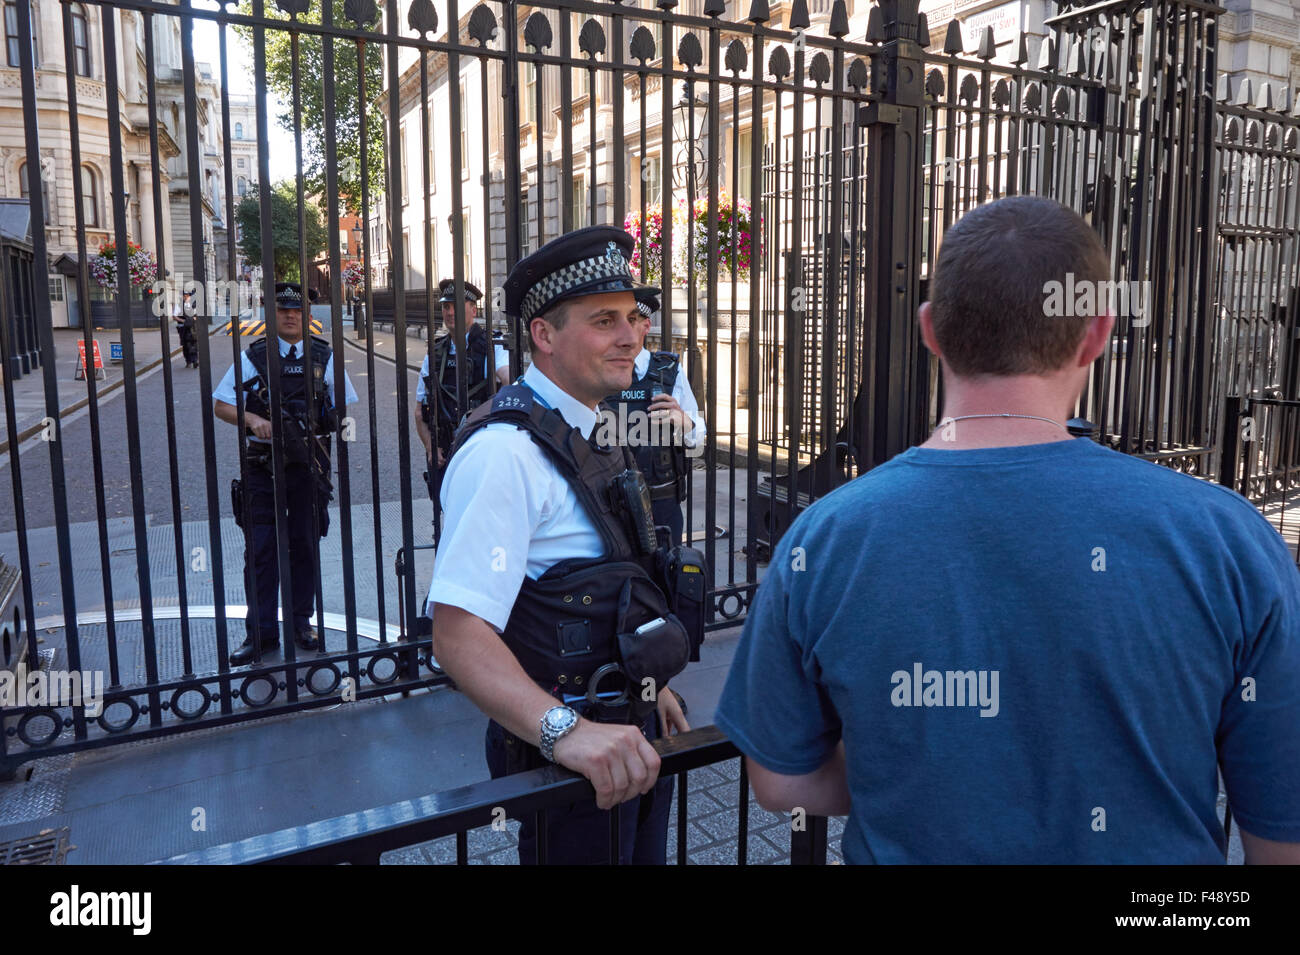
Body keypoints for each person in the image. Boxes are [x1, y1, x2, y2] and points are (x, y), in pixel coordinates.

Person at [714, 195, 1300, 864]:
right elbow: (1281, 839)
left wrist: (911, 767)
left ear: (931, 330)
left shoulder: (824, 538)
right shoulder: (1228, 540)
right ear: (1097, 332)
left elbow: (780, 778)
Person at [427, 226, 697, 865]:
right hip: (572, 762)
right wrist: (567, 733)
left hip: (628, 731)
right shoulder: (504, 454)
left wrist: (645, 683)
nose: (631, 336)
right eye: (605, 320)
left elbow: (615, 577)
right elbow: (459, 637)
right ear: (543, 336)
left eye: (633, 318)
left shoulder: (590, 424)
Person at [213, 282, 359, 666]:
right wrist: (252, 418)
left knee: (305, 547)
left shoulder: (324, 356)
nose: (291, 316)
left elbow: (345, 406)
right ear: (271, 315)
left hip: (308, 467)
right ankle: (260, 634)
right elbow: (221, 404)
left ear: (306, 315)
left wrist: (327, 424)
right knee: (260, 551)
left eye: (296, 310)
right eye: (283, 311)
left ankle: (300, 623)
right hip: (263, 468)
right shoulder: (253, 358)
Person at [601, 287, 704, 546]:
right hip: (611, 503)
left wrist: (682, 420)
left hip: (662, 502)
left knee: (667, 577)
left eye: (632, 320)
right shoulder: (598, 372)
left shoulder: (669, 370)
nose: (623, 330)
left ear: (646, 326)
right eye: (614, 322)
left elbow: (699, 440)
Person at [413, 278, 510, 542]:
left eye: (457, 305)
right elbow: (420, 411)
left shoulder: (493, 345)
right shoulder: (434, 352)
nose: (450, 311)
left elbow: (508, 380)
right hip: (445, 453)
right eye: (446, 306)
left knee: (486, 523)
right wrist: (431, 447)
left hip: (482, 449)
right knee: (452, 524)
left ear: (473, 310)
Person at [174, 290, 199, 368]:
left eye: (187, 296)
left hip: (192, 327)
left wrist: (194, 319)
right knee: (185, 344)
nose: (186, 297)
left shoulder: (194, 305)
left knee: (193, 343)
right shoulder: (179, 305)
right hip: (183, 328)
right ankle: (188, 361)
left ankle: (195, 360)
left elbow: (197, 315)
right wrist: (183, 321)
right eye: (184, 295)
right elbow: (174, 316)